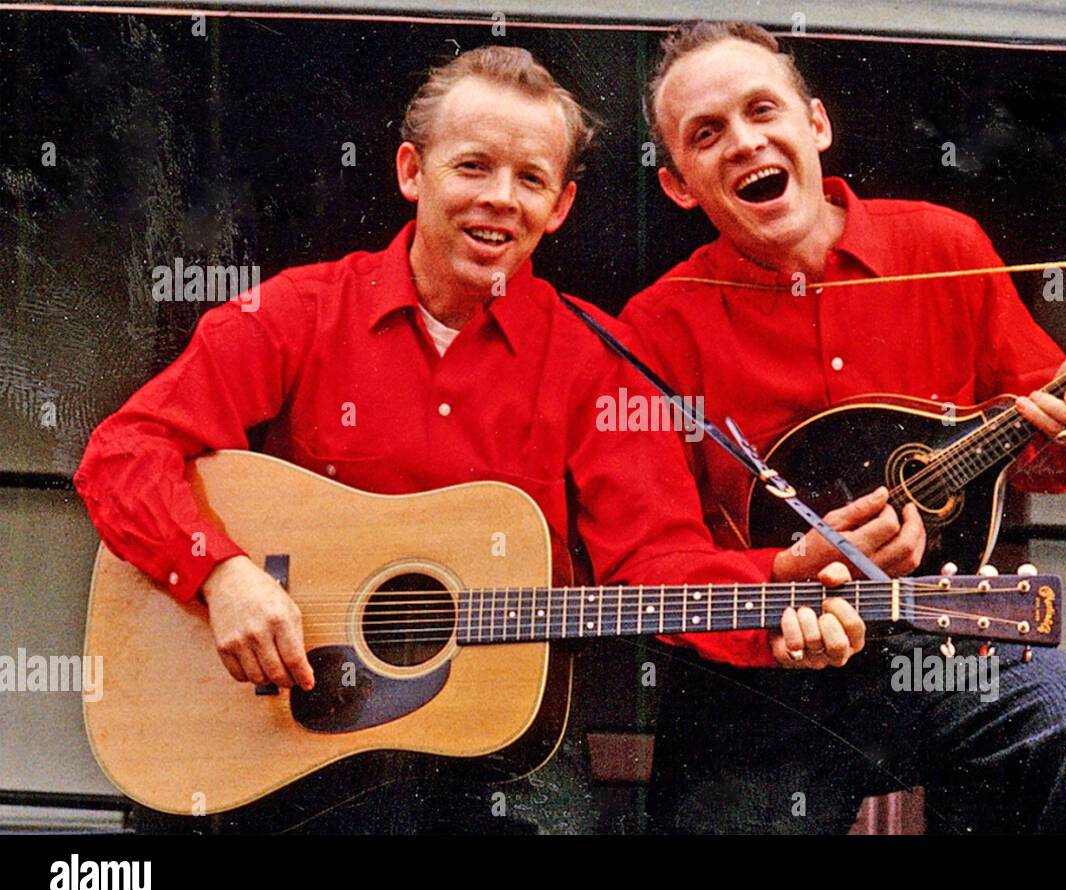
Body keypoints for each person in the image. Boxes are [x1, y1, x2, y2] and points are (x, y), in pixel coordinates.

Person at [73, 45, 860, 833]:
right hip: (284, 732)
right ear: (413, 171)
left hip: (498, 749)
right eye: (474, 167)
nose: (500, 201)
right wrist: (222, 576)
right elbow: (124, 451)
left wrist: (775, 591)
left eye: (531, 179)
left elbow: (656, 562)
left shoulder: (597, 359)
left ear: (560, 207)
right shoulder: (299, 313)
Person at [621, 21, 1066, 833]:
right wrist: (782, 581)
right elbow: (650, 560)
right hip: (764, 670)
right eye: (706, 133)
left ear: (816, 125)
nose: (742, 142)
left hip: (940, 646)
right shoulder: (656, 328)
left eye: (761, 110)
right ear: (679, 186)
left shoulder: (944, 245)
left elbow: (1056, 441)